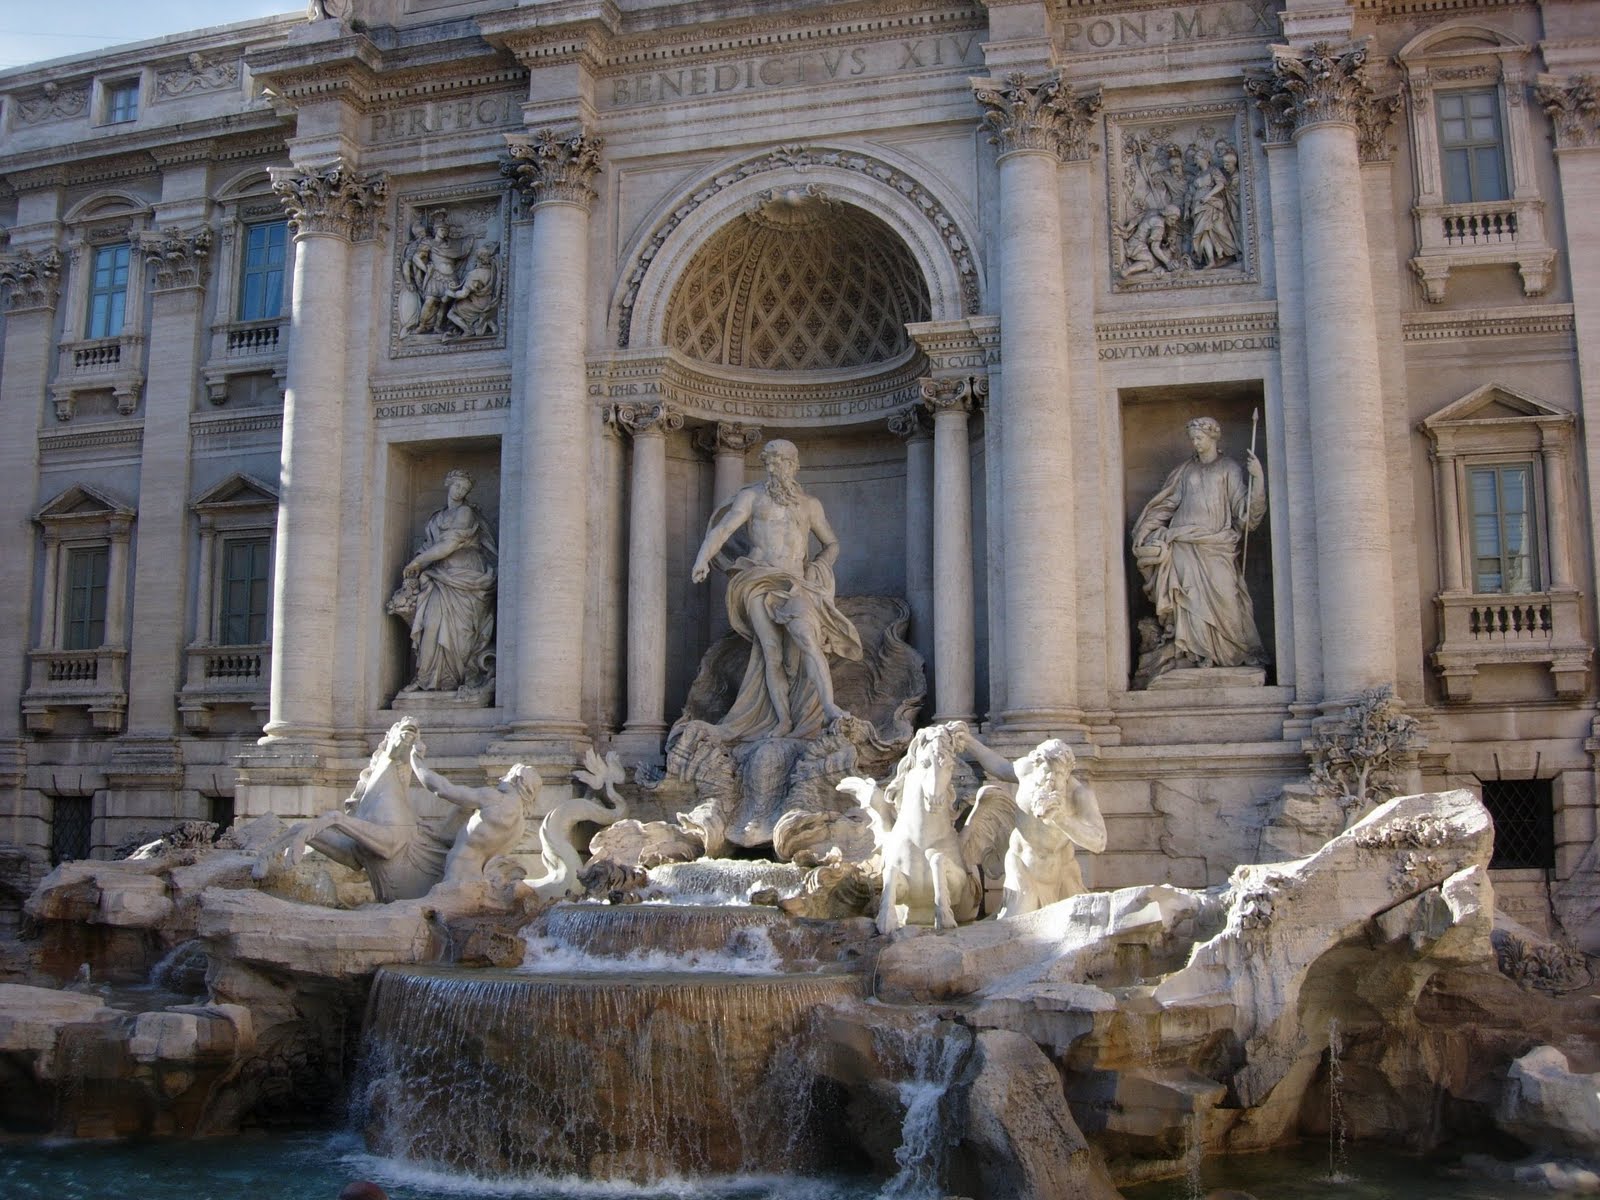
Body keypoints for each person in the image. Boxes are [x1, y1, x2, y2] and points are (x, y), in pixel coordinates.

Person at [690, 439, 863, 740]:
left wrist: (818, 566)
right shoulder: (752, 498)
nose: (777, 467)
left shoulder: (810, 505)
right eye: (772, 461)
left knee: (807, 640)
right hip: (757, 579)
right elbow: (724, 529)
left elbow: (831, 543)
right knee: (770, 651)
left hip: (796, 583)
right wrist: (701, 558)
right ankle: (782, 720)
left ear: (794, 465)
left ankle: (829, 706)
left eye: (783, 461)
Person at [1131, 417, 1266, 679]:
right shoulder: (1184, 471)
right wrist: (1145, 528)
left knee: (1226, 595)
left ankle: (1230, 653)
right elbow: (1165, 505)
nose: (1195, 442)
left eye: (1200, 438)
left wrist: (1258, 478)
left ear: (1213, 438)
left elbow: (1245, 512)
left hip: (1216, 545)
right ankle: (1193, 653)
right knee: (1187, 597)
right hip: (1182, 542)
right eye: (1192, 439)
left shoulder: (1229, 469)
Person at [389, 469, 497, 694]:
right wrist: (420, 566)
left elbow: (449, 546)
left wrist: (418, 562)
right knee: (430, 625)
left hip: (466, 579)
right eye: (458, 486)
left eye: (465, 489)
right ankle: (425, 677)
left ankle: (455, 681)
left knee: (461, 634)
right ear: (449, 484)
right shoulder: (437, 517)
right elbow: (431, 546)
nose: (460, 491)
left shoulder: (465, 513)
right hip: (440, 578)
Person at [409, 741, 535, 886]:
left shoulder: (495, 798)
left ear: (516, 779)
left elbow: (443, 789)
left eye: (506, 776)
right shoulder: (520, 826)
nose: (501, 779)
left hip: (458, 877)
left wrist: (416, 761)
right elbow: (475, 842)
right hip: (479, 881)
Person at [1186, 149, 1239, 268]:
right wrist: (1186, 209)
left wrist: (1208, 196)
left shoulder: (1213, 170)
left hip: (1212, 204)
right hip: (1198, 206)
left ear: (1205, 158)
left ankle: (1234, 253)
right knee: (1202, 233)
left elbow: (1221, 184)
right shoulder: (1198, 175)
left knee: (1220, 230)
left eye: (1197, 158)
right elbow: (1190, 192)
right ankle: (1211, 260)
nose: (1195, 160)